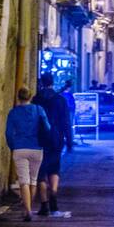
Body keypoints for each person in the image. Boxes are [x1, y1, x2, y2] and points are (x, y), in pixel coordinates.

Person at [33, 72, 74, 217]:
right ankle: (54, 199)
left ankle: (44, 205)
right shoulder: (60, 100)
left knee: (41, 172)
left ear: (41, 83)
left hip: (40, 139)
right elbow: (66, 121)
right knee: (54, 169)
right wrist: (69, 140)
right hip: (56, 139)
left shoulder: (36, 99)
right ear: (52, 82)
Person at [5, 88, 50, 221]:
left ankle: (27, 211)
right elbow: (47, 127)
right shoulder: (39, 109)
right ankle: (30, 207)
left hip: (20, 148)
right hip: (36, 148)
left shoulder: (13, 112)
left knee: (23, 181)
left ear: (18, 97)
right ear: (30, 97)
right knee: (33, 180)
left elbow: (8, 133)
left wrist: (12, 145)